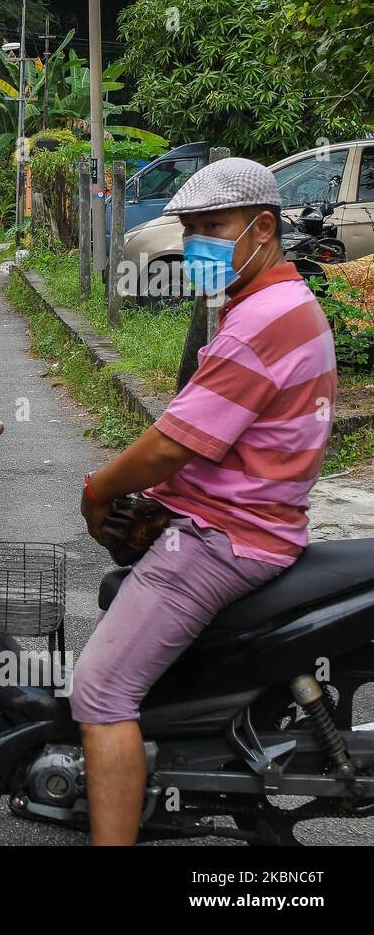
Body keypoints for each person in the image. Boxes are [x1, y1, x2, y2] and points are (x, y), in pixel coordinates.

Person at [71, 158, 337, 845]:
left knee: (99, 693)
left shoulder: (262, 319)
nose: (198, 247)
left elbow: (170, 445)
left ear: (263, 227)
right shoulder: (266, 302)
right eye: (189, 232)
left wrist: (98, 489)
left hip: (224, 536)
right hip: (252, 520)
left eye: (213, 228)